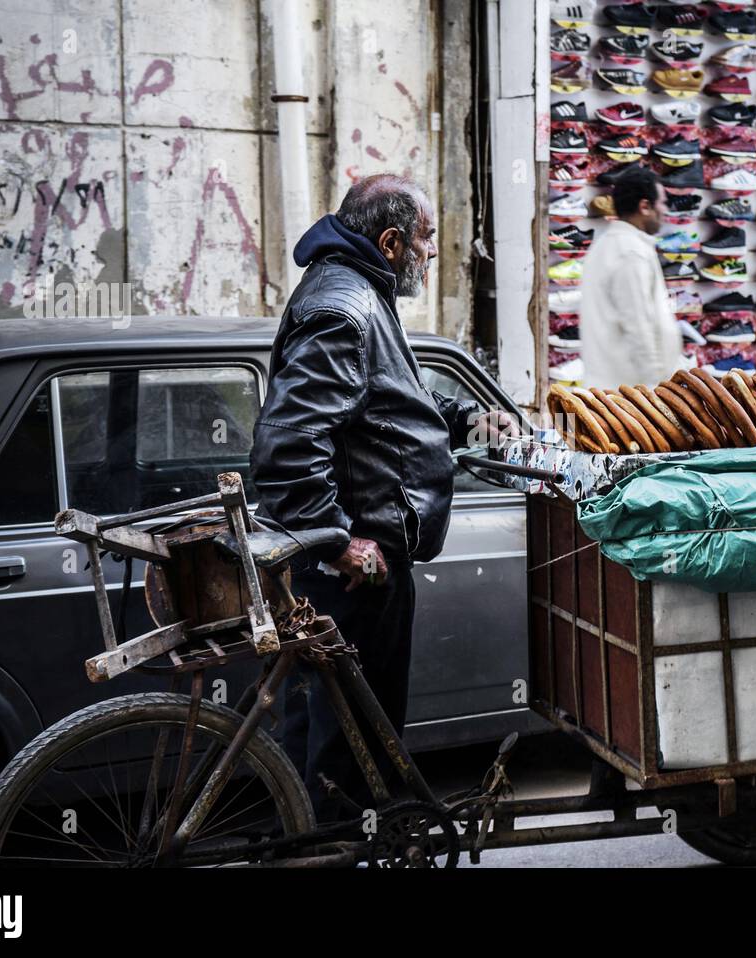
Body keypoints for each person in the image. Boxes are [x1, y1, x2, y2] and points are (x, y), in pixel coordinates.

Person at [250, 173, 515, 821]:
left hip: (364, 553)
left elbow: (387, 400)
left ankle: (305, 844)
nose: (431, 253)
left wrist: (462, 418)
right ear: (392, 241)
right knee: (348, 749)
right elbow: (289, 442)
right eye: (426, 239)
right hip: (356, 567)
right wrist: (335, 542)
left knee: (329, 736)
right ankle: (332, 850)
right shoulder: (345, 307)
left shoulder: (360, 292)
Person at [579, 166, 682, 389]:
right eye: (662, 203)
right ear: (645, 206)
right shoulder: (630, 253)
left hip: (615, 389)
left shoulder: (609, 244)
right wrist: (657, 389)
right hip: (630, 394)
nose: (665, 210)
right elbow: (639, 326)